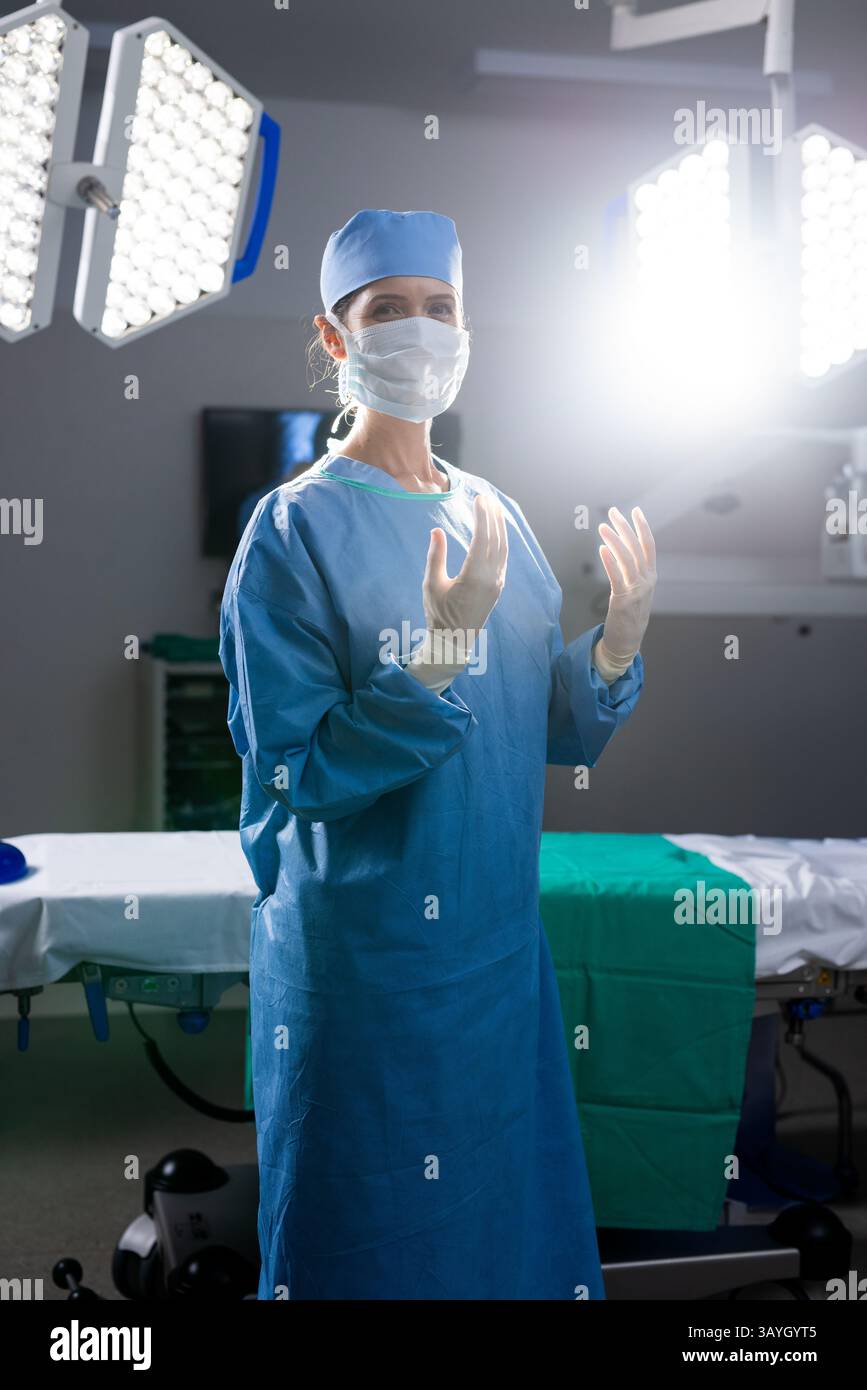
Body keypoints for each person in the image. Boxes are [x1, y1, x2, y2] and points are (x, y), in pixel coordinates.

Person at [220, 209, 657, 1300]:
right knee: (371, 1234)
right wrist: (433, 658)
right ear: (335, 338)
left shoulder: (491, 512)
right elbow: (293, 774)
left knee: (509, 1231)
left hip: (496, 959)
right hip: (368, 970)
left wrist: (614, 645)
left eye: (442, 307)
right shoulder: (291, 533)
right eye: (388, 310)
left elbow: (541, 725)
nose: (420, 330)